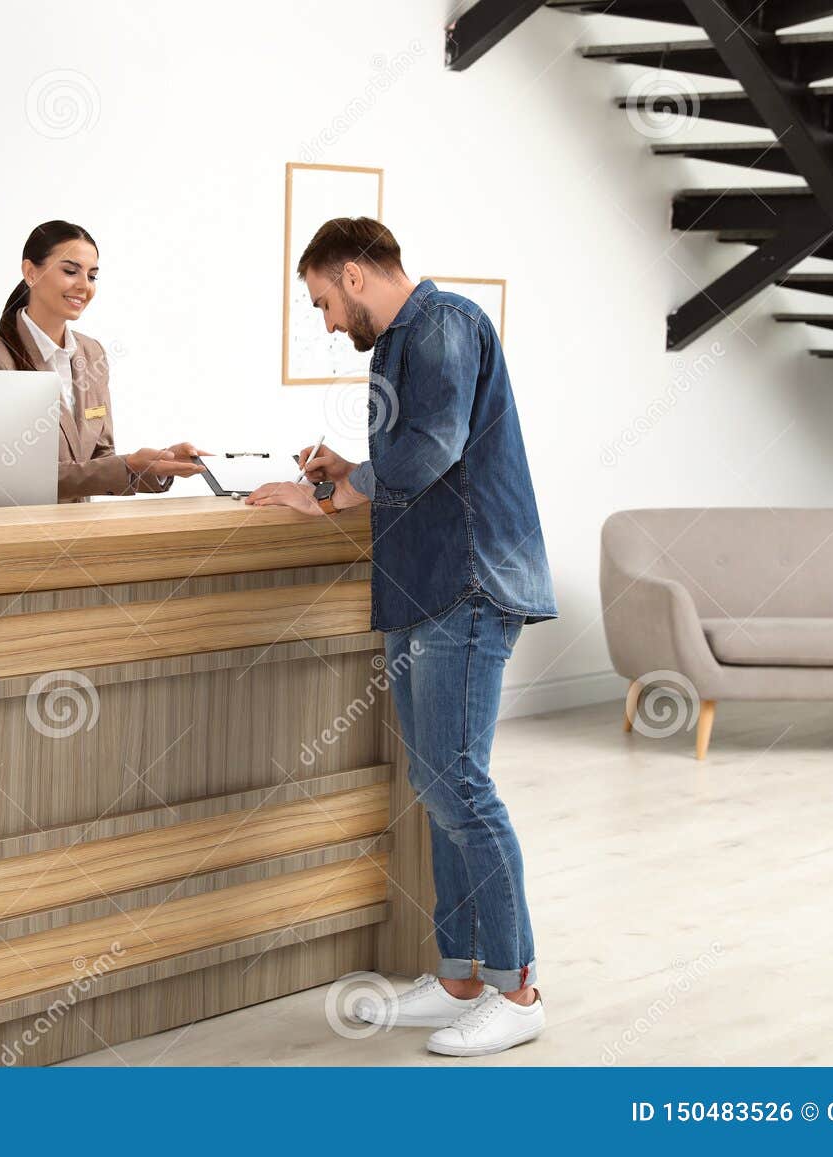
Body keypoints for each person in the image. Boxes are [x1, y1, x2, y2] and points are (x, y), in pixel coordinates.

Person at [245, 217, 557, 1057]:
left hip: (470, 579)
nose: (325, 321)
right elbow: (413, 460)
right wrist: (349, 472)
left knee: (460, 782)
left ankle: (517, 986)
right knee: (433, 781)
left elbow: (437, 446)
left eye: (321, 302)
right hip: (423, 584)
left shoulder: (444, 322)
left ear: (352, 274)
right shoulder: (398, 344)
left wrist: (328, 498)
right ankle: (459, 972)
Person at [0, 220, 205, 502]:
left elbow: (100, 459)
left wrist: (159, 465)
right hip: (25, 534)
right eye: (70, 271)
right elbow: (14, 478)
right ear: (31, 273)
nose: (84, 286)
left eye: (92, 276)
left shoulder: (92, 354)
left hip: (84, 532)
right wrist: (129, 465)